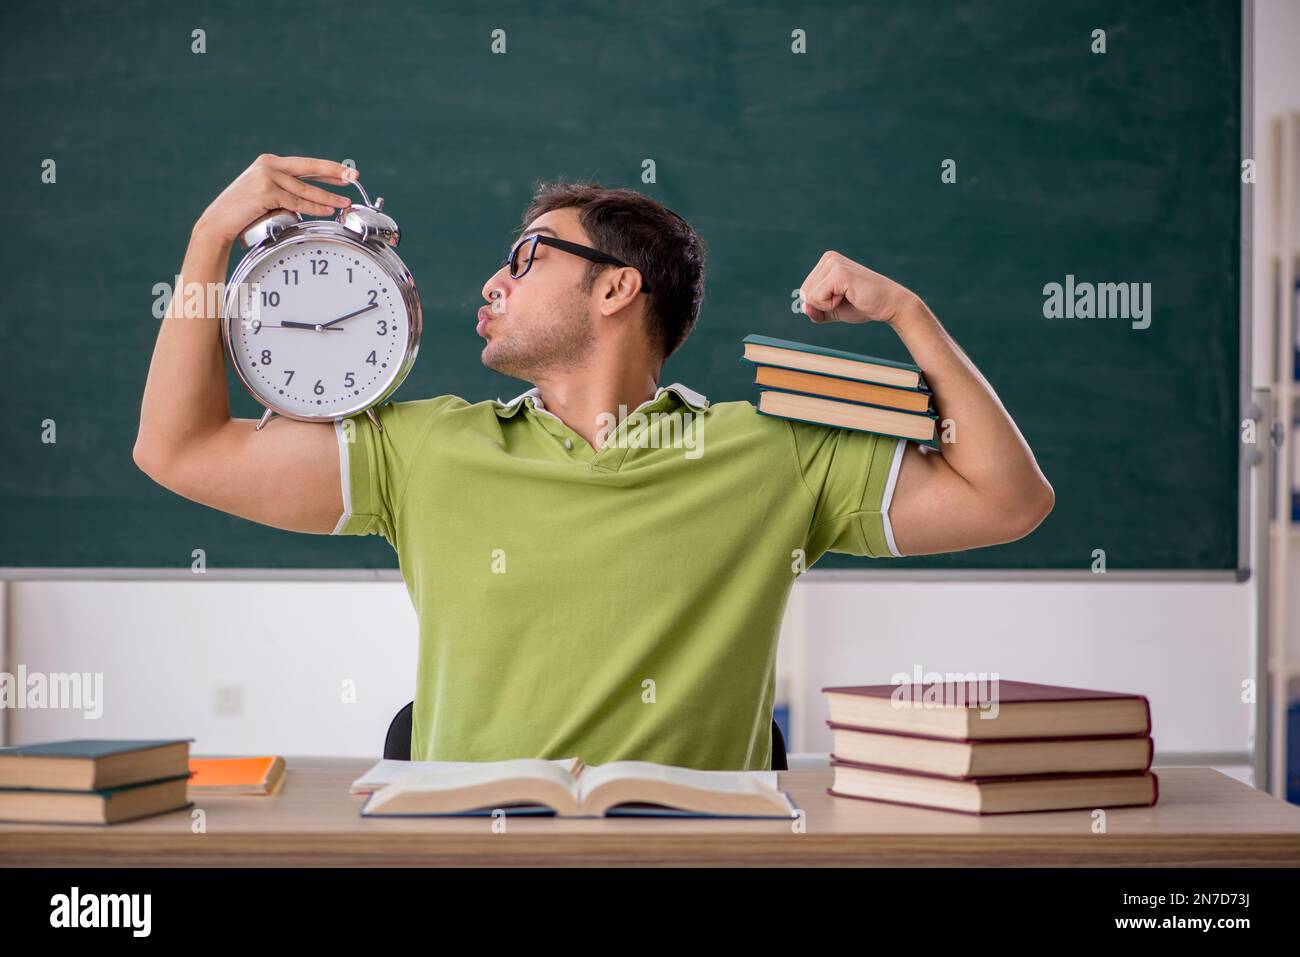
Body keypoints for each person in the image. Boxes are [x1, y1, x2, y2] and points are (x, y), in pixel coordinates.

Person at [134, 154, 1054, 769]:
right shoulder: (423, 447)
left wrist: (908, 315)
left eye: (526, 257)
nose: (492, 282)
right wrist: (211, 237)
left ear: (617, 287)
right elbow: (177, 449)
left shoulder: (772, 452)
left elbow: (1007, 500)